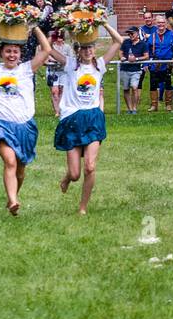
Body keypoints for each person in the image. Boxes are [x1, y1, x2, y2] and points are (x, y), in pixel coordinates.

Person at [0, 20, 54, 215]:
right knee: (10, 160)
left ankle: (13, 197)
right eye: (8, 51)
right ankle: (12, 200)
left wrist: (34, 27)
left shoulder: (26, 69)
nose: (11, 55)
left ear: (20, 55)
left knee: (20, 169)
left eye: (15, 52)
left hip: (25, 127)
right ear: (1, 53)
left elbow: (46, 49)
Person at [49, 24, 123, 214]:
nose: (88, 51)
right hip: (72, 119)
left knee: (90, 166)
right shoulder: (70, 65)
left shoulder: (99, 65)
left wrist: (103, 22)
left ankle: (83, 208)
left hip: (92, 118)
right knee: (75, 174)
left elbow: (118, 41)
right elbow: (47, 49)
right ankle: (67, 178)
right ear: (78, 50)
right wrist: (55, 32)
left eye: (91, 47)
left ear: (95, 48)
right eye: (84, 48)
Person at [145, 12, 173, 111]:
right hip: (155, 65)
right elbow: (147, 51)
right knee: (153, 84)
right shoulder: (152, 36)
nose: (161, 24)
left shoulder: (171, 35)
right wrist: (146, 63)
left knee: (168, 84)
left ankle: (168, 105)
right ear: (156, 23)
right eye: (159, 23)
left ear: (165, 23)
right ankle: (154, 105)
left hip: (167, 64)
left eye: (163, 22)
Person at [119, 25, 150, 114]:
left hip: (136, 70)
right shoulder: (125, 42)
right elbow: (120, 53)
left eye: (132, 33)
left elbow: (146, 56)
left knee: (134, 87)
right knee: (126, 89)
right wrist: (122, 58)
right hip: (125, 69)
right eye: (129, 34)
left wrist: (136, 59)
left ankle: (135, 108)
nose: (130, 35)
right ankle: (130, 109)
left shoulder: (143, 44)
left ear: (137, 34)